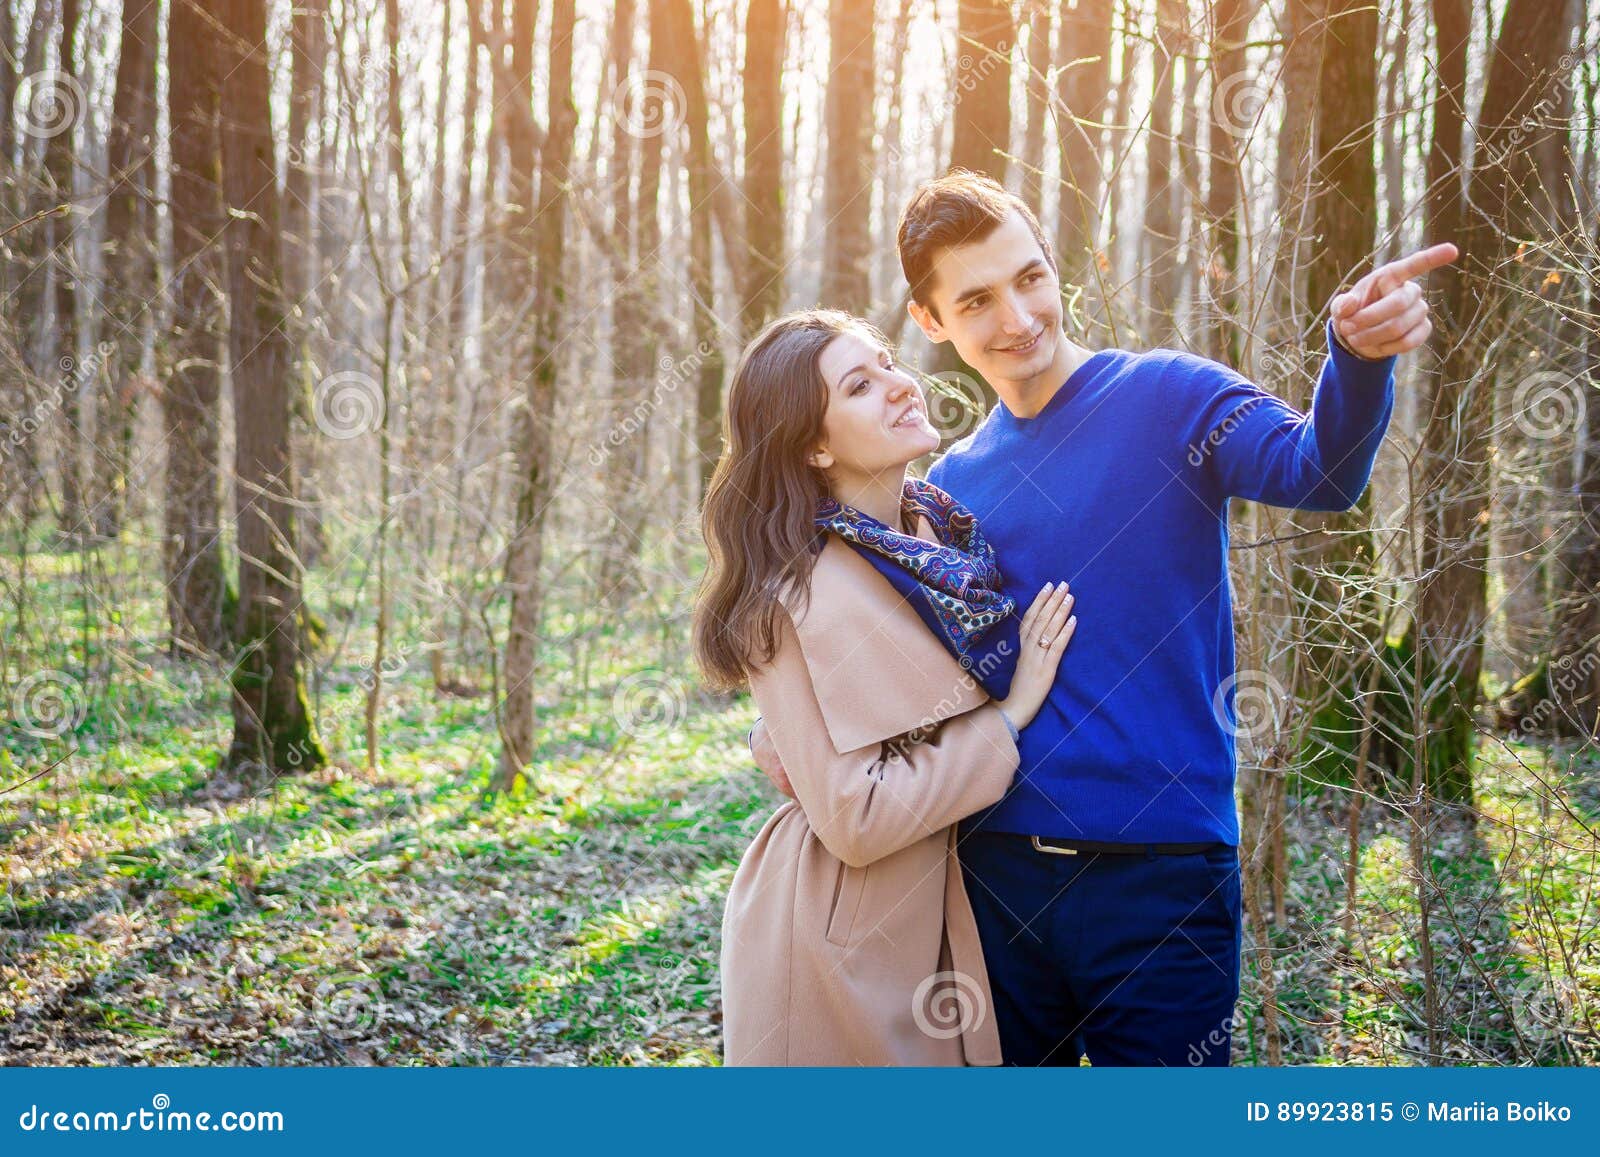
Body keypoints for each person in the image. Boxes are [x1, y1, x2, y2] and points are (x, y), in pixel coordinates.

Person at [752, 171, 1458, 1066]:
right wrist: (779, 727)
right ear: (932, 322)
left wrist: (1356, 360)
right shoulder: (949, 494)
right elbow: (868, 642)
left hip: (1164, 883)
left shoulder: (1170, 398)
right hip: (995, 888)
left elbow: (1320, 472)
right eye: (977, 300)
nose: (1017, 317)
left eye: (1030, 278)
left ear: (1054, 268)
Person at [693, 309, 1076, 1065]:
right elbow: (856, 814)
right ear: (814, 442)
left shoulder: (944, 537)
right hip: (846, 933)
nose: (901, 387)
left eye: (888, 363)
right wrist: (1012, 714)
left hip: (968, 905)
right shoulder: (788, 596)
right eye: (860, 385)